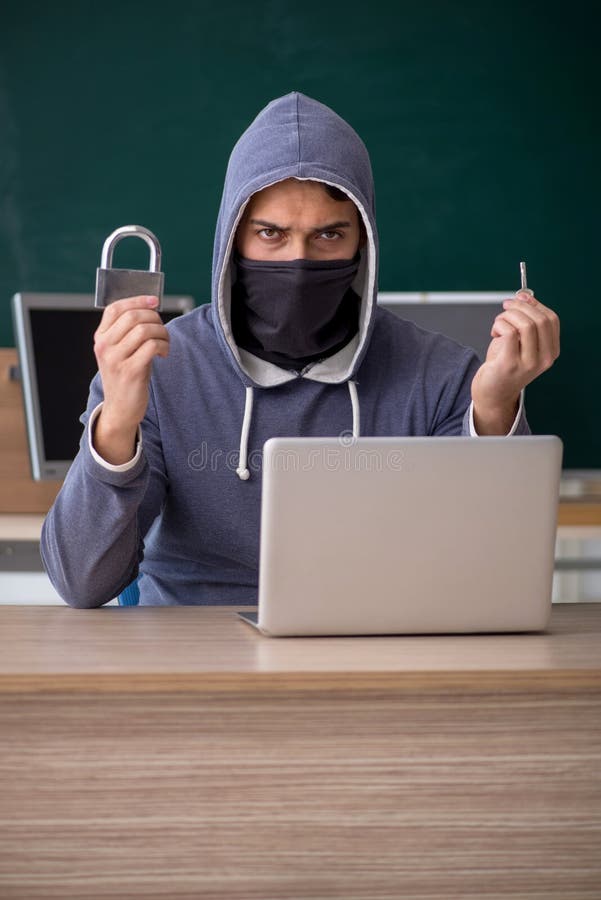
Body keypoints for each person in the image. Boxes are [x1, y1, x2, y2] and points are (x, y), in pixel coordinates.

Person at [41, 92, 560, 607]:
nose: (298, 262)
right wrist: (116, 427)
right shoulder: (157, 368)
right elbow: (83, 583)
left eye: (329, 235)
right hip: (196, 662)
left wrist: (493, 414)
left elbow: (485, 568)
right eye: (270, 233)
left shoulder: (443, 376)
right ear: (232, 240)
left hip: (378, 651)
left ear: (364, 243)